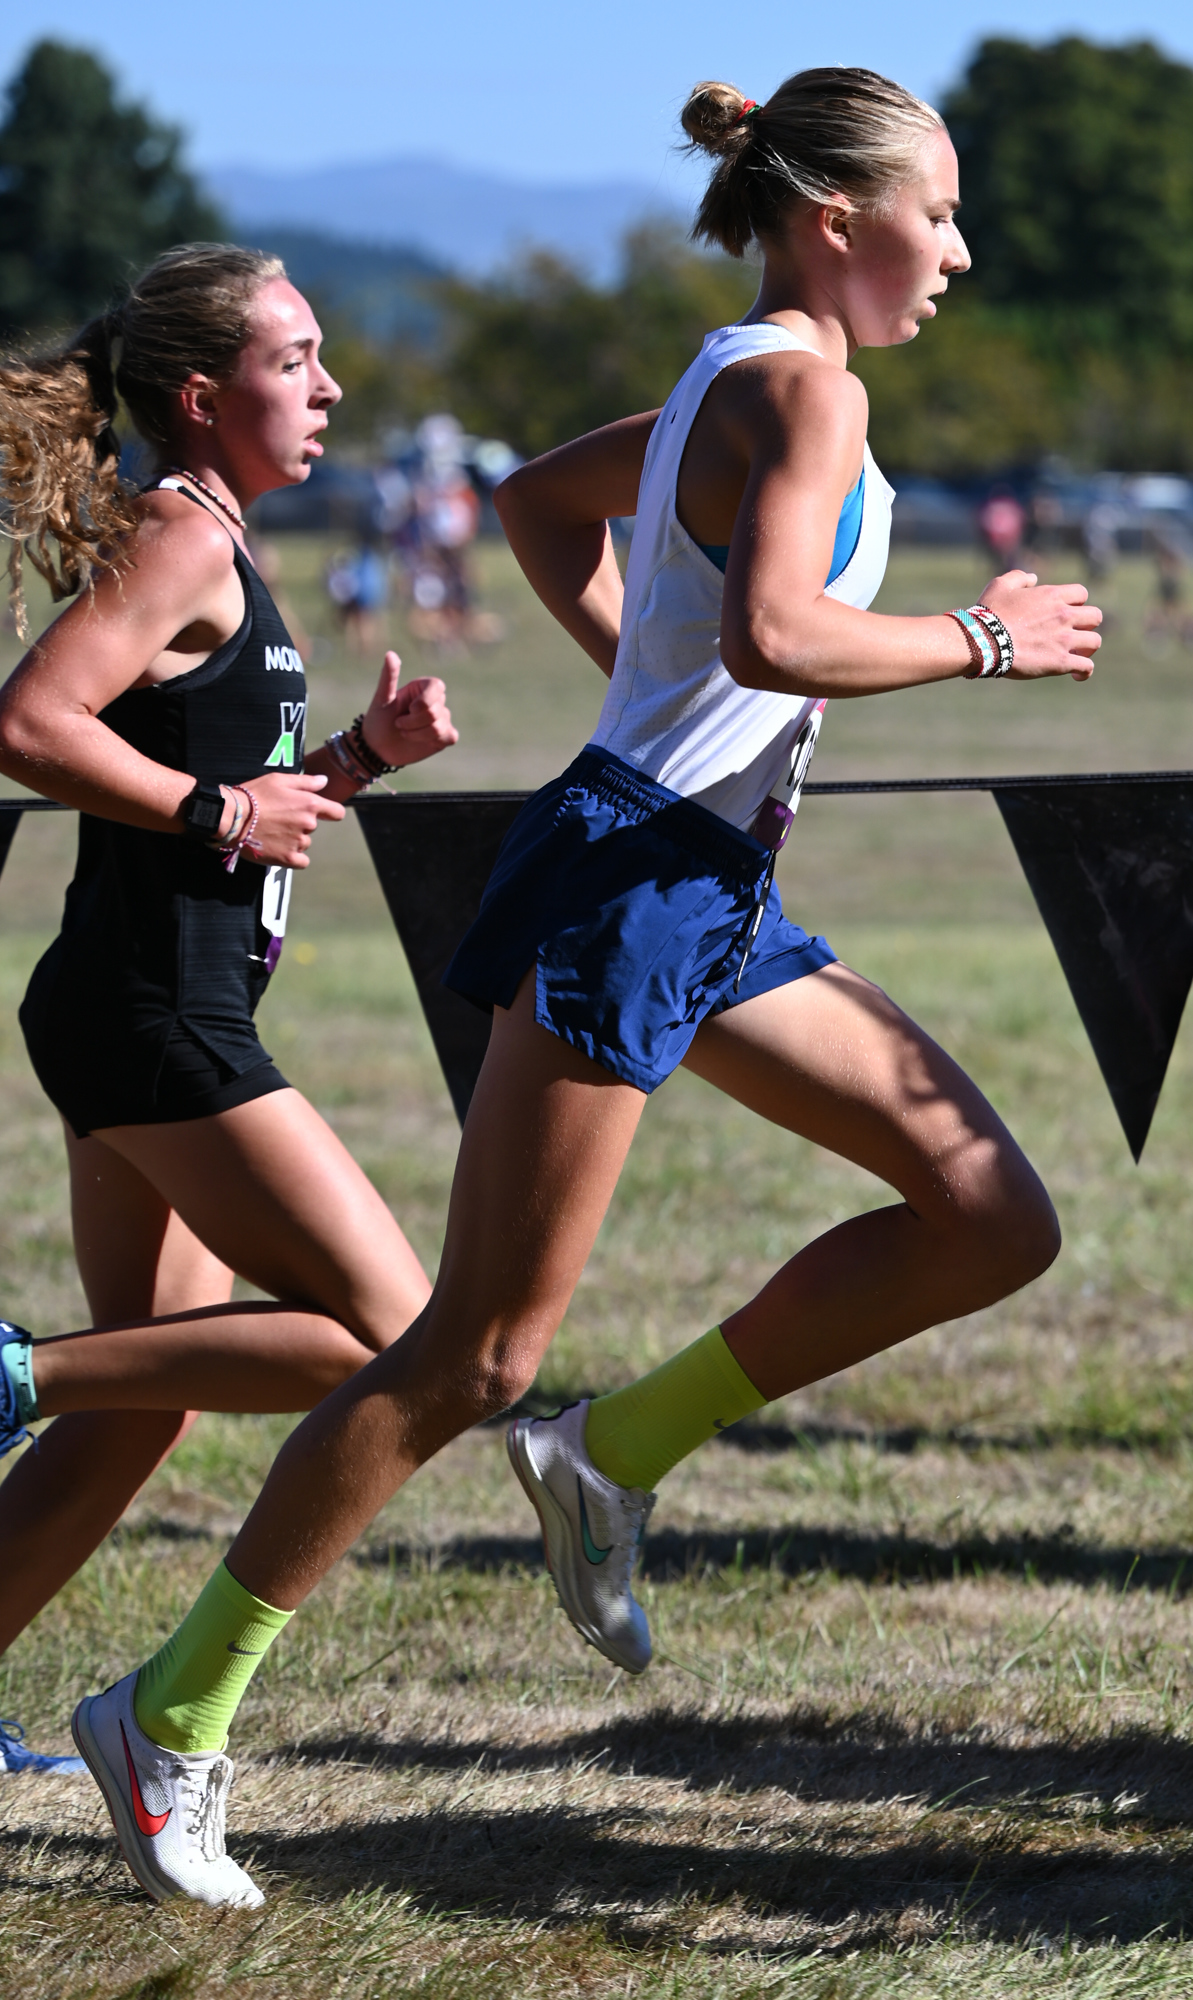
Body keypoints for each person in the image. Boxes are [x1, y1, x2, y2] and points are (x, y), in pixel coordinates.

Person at [71, 70, 1101, 1909]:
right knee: (468, 1346)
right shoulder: (800, 384)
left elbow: (551, 516)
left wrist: (657, 695)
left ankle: (611, 1456)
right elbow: (780, 628)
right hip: (631, 887)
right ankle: (174, 1713)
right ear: (836, 217)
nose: (956, 249)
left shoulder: (738, 373)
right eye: (934, 215)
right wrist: (980, 637)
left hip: (698, 878)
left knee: (984, 1211)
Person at [0, 244, 456, 1785]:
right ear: (204, 397)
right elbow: (29, 724)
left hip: (134, 1009)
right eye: (296, 362)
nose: (328, 389)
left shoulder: (219, 543)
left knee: (154, 1400)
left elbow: (232, 803)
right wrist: (213, 810)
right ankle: (12, 1377)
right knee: (397, 1339)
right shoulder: (180, 543)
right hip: (155, 1021)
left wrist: (354, 763)